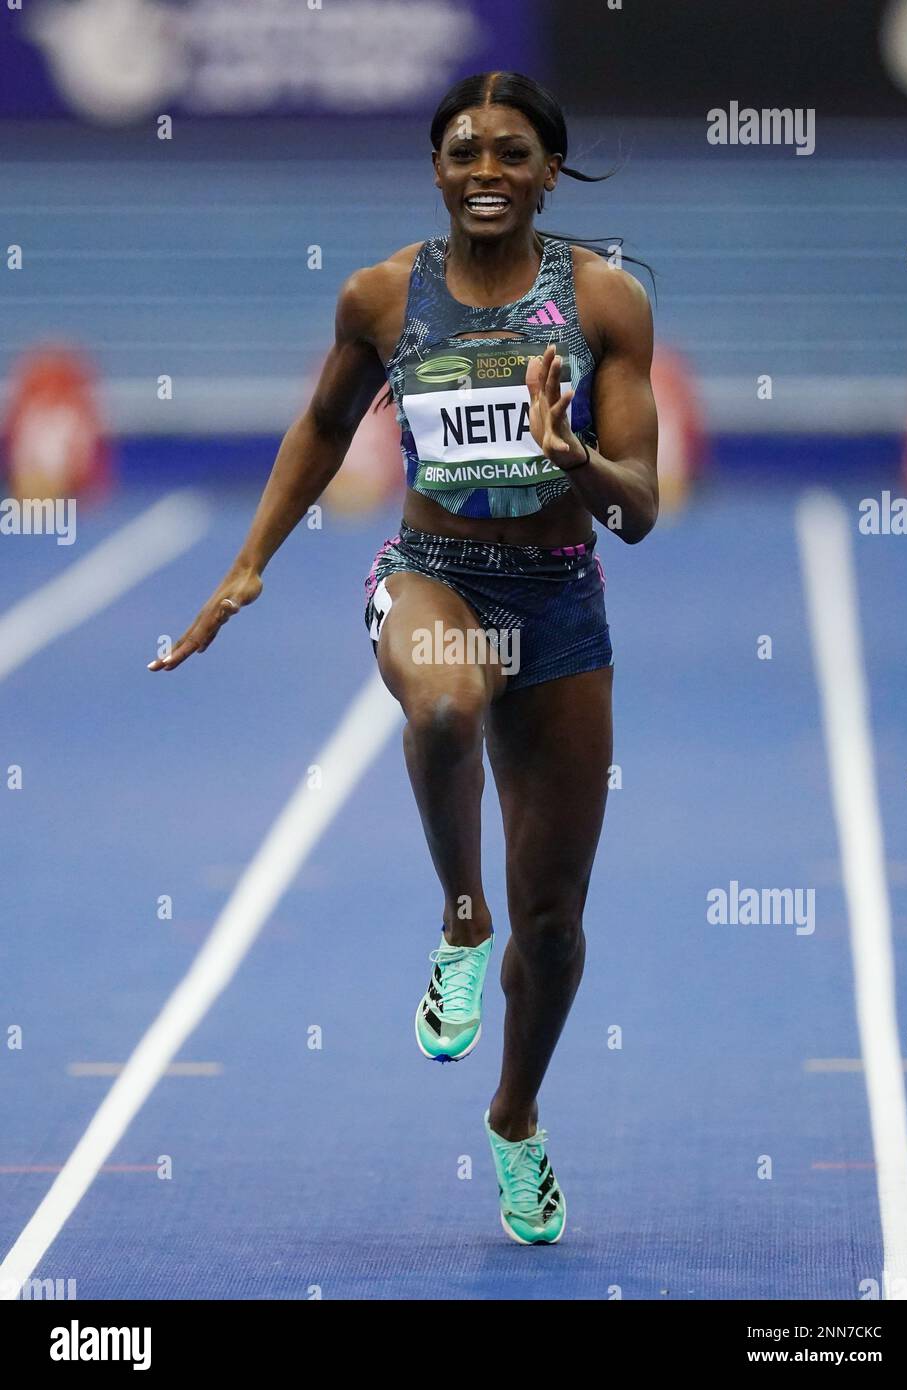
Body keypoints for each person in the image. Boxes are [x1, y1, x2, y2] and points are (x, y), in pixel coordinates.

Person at [149, 70, 658, 1246]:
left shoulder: (604, 302)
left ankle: (516, 1117)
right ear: (436, 169)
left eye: (512, 152)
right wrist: (248, 560)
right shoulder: (382, 297)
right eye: (465, 150)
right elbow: (326, 423)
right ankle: (459, 922)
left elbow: (637, 510)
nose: (487, 169)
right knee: (440, 707)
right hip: (430, 567)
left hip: (561, 603)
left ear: (545, 171)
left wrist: (568, 452)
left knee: (560, 922)